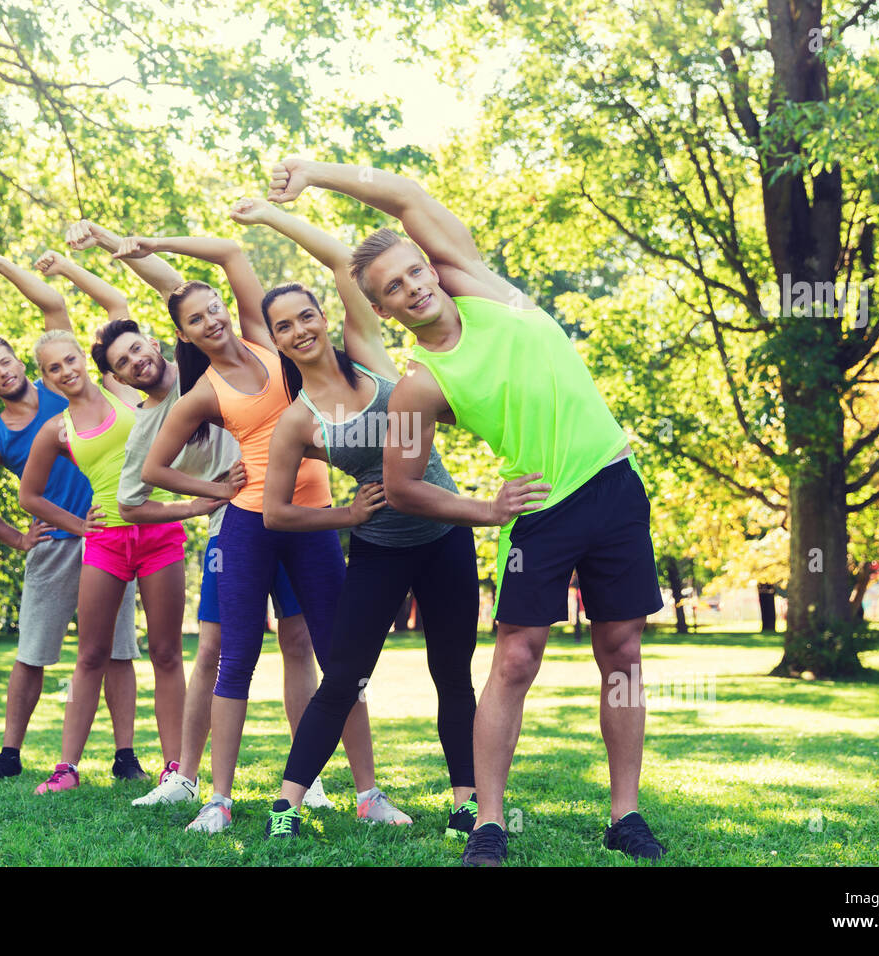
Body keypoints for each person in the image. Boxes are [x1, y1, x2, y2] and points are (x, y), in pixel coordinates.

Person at [268, 158, 667, 866]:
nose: (412, 287)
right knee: (515, 657)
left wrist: (314, 175)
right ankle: (487, 822)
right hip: (541, 510)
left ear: (429, 265)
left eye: (413, 272)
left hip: (613, 483)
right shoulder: (421, 387)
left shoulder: (483, 285)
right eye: (393, 289)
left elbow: (405, 195)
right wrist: (485, 508)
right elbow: (403, 485)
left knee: (623, 652)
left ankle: (626, 815)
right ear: (384, 311)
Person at [228, 197, 484, 842]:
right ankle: (285, 803)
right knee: (343, 675)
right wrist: (343, 513)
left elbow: (347, 261)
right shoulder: (296, 420)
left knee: (452, 672)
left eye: (306, 315)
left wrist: (269, 218)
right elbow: (277, 512)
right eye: (283, 326)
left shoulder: (368, 350)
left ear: (322, 316)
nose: (300, 330)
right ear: (277, 341)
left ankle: (467, 800)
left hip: (446, 532)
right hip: (378, 549)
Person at [64, 219, 339, 811]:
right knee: (215, 649)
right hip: (235, 528)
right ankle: (186, 776)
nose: (137, 361)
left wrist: (121, 242)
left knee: (298, 640)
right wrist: (203, 499)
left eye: (139, 347)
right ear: (117, 378)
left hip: (294, 511)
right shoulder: (157, 417)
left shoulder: (215, 355)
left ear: (159, 343)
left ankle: (307, 775)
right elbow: (134, 498)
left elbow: (180, 288)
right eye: (125, 362)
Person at [127, 229, 396, 833]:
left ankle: (369, 793)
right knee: (236, 659)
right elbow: (152, 470)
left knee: (341, 657)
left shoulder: (273, 347)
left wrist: (144, 242)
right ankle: (217, 801)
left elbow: (229, 252)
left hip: (315, 523)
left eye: (214, 310)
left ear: (227, 310)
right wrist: (219, 489)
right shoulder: (201, 393)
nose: (211, 322)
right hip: (250, 525)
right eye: (196, 321)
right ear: (185, 335)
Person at [0, 249, 140, 784]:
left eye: (6, 362)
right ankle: (10, 753)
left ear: (21, 364)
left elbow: (54, 303)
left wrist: (1, 266)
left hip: (109, 532)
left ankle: (124, 755)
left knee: (115, 651)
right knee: (33, 652)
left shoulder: (62, 386)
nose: (2, 373)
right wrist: (17, 539)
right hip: (56, 545)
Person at [17, 250, 184, 794]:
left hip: (159, 531)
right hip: (106, 540)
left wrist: (65, 267)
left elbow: (116, 303)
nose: (65, 371)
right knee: (90, 653)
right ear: (43, 378)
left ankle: (176, 767)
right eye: (52, 368)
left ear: (85, 362)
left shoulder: (123, 388)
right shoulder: (57, 429)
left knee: (164, 652)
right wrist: (78, 524)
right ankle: (66, 768)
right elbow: (29, 496)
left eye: (70, 360)